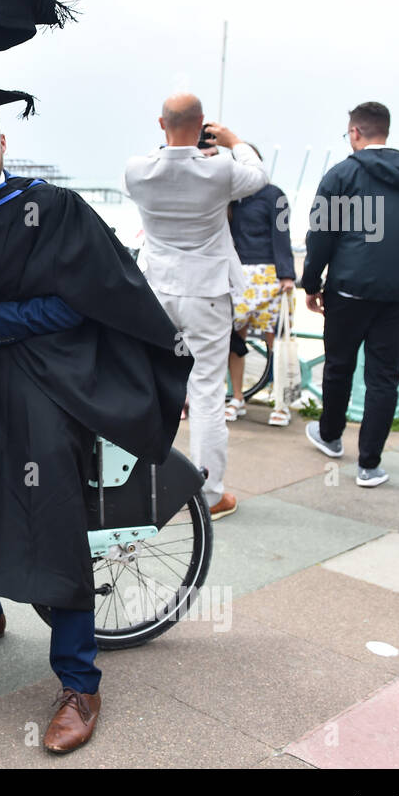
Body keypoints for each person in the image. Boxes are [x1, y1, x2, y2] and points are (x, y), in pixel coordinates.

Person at [0, 79, 190, 754]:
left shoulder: (49, 209)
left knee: (45, 514)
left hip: (31, 376)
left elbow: (85, 301)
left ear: (3, 142)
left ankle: (80, 681)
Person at [124, 94, 268, 520]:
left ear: (160, 123)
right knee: (206, 392)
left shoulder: (137, 171)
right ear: (203, 123)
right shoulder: (220, 170)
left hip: (157, 293)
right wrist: (232, 140)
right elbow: (258, 174)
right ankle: (210, 494)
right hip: (206, 294)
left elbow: (166, 159)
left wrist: (174, 146)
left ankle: (135, 484)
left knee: (148, 387)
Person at [301, 101, 399, 486]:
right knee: (384, 374)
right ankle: (369, 465)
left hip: (349, 288)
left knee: (339, 364)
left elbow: (321, 235)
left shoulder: (342, 174)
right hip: (398, 291)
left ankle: (330, 436)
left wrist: (312, 284)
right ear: (386, 131)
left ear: (355, 133)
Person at [226, 151, 296, 426]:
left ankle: (282, 403)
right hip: (237, 273)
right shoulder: (230, 195)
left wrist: (286, 275)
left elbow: (282, 234)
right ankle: (238, 397)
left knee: (275, 341)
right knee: (235, 339)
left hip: (269, 274)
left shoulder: (274, 195)